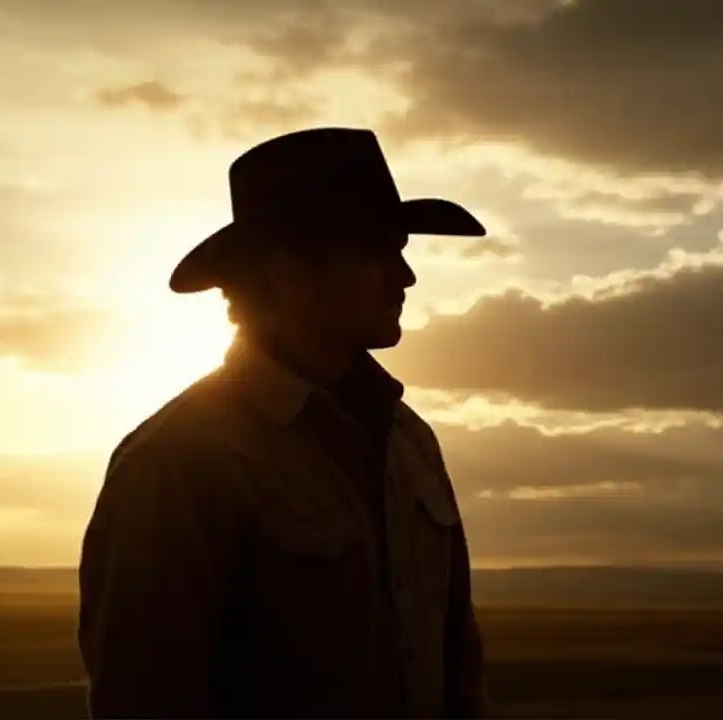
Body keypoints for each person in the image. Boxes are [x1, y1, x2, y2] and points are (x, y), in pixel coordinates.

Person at [77, 127, 489, 718]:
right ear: (287, 271)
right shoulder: (176, 463)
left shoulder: (410, 442)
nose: (406, 277)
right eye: (377, 252)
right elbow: (144, 697)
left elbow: (457, 673)